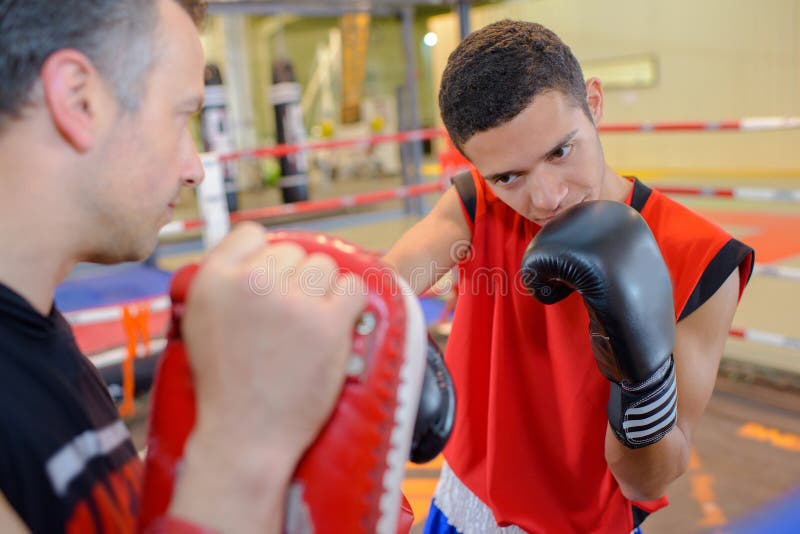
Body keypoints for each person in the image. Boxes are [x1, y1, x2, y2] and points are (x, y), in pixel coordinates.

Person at [0, 1, 366, 532]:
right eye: (182, 116)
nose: (194, 169)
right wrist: (244, 445)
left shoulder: (39, 335)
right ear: (79, 100)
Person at [383, 19, 754, 533]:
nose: (546, 198)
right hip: (461, 504)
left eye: (560, 151)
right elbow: (382, 285)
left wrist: (642, 386)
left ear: (594, 103)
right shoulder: (477, 205)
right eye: (508, 176)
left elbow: (646, 483)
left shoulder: (701, 259)